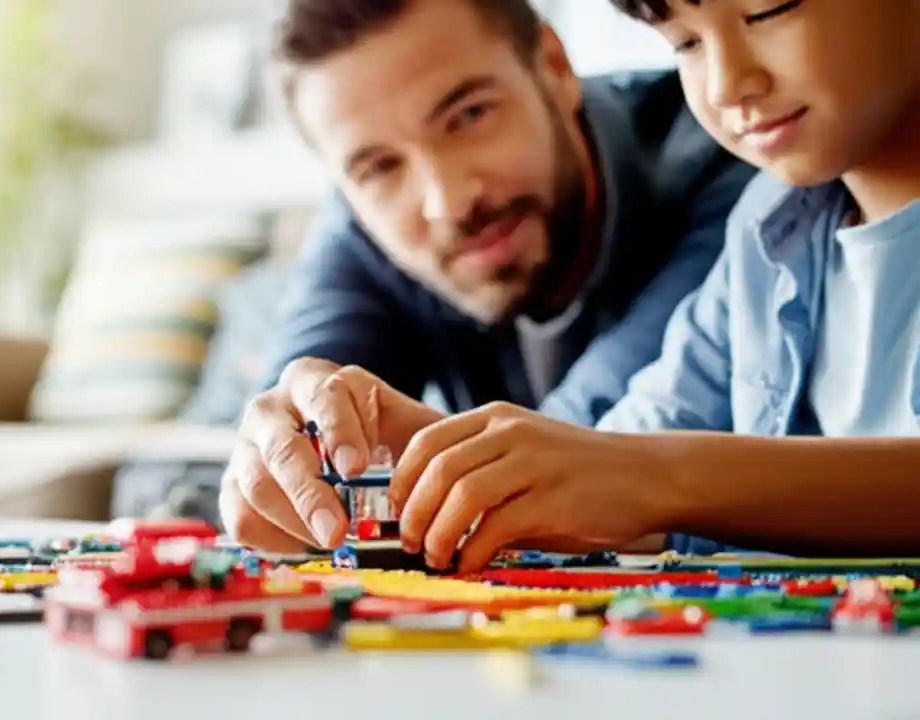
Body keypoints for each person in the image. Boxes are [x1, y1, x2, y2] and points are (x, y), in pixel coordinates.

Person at [376, 0, 920, 573]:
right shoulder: (769, 229)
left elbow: (644, 473)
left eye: (765, 12)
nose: (727, 84)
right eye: (686, 43)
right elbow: (609, 472)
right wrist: (427, 454)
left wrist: (653, 475)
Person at [219, 0, 756, 552]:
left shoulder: (735, 157)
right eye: (379, 167)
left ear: (554, 66)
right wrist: (281, 455)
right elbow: (302, 399)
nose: (447, 202)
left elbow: (586, 456)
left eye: (469, 115)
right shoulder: (363, 224)